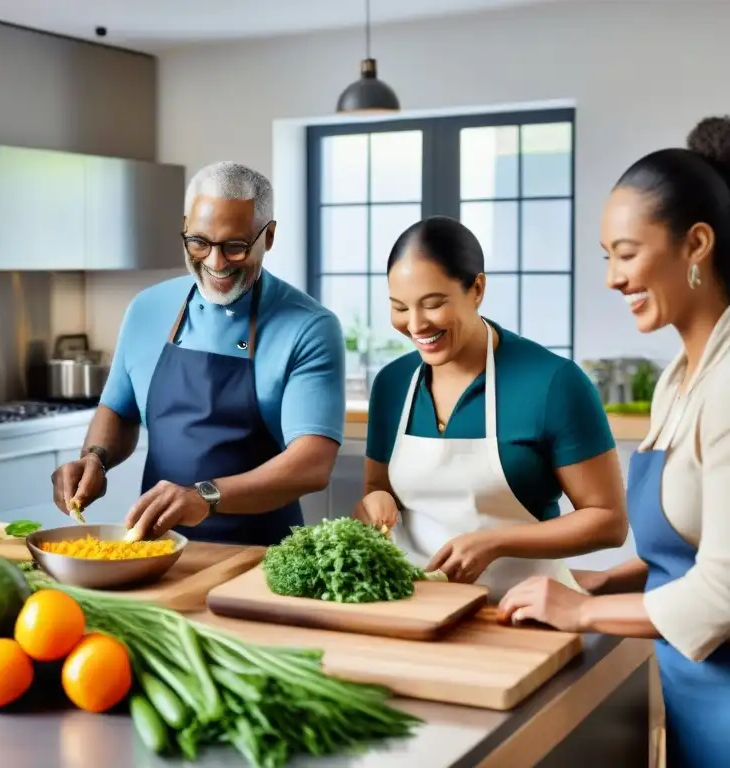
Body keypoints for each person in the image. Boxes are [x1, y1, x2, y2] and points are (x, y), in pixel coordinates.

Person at [498, 116, 730, 767]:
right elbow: (687, 547)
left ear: (697, 245)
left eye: (627, 254)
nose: (613, 279)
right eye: (608, 259)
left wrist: (580, 613)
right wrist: (606, 581)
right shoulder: (679, 379)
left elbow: (723, 591)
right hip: (691, 694)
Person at [50, 161, 345, 545]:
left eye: (235, 246)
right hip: (156, 549)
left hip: (263, 559)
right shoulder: (147, 308)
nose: (215, 262)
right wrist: (94, 458)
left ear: (268, 237)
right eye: (199, 242)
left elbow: (312, 465)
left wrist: (204, 495)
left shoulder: (310, 327)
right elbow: (119, 409)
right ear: (186, 226)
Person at [353, 216, 627, 600]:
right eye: (400, 308)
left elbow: (608, 521)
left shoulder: (553, 383)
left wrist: (496, 542)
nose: (415, 325)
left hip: (526, 608)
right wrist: (375, 503)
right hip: (413, 604)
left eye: (433, 305)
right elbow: (377, 487)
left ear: (477, 289)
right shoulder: (393, 384)